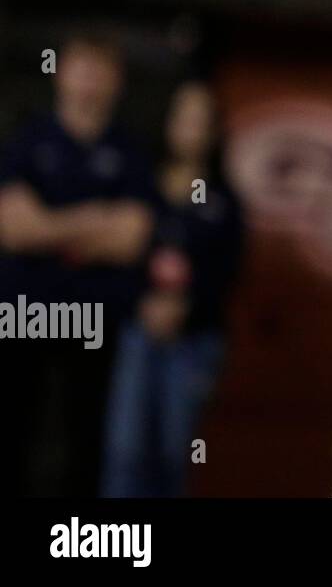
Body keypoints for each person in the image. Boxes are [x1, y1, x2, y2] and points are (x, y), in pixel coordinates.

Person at [0, 32, 155, 496]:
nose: (89, 77)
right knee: (13, 432)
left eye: (100, 67)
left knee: (86, 440)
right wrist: (92, 219)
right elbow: (13, 229)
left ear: (117, 81)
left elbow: (130, 239)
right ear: (60, 72)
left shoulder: (130, 152)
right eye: (80, 64)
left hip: (97, 319)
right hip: (23, 313)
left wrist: (48, 224)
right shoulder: (27, 139)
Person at [101, 80, 243, 497]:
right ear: (168, 122)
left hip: (194, 340)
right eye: (185, 117)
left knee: (173, 453)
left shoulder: (224, 200)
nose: (192, 129)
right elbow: (116, 256)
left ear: (216, 129)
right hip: (137, 332)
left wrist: (186, 306)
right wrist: (142, 303)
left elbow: (228, 273)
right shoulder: (139, 186)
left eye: (203, 120)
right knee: (125, 450)